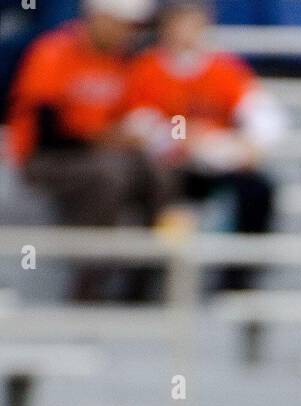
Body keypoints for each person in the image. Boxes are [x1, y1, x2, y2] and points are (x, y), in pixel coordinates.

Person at [6, 0, 170, 301]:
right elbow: (48, 132)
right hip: (43, 159)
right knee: (109, 175)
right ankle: (87, 280)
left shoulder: (124, 61)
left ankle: (145, 279)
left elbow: (137, 117)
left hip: (97, 156)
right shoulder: (54, 52)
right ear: (97, 17)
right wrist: (106, 139)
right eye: (121, 23)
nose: (127, 32)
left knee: (156, 172)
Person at [122, 0, 285, 290]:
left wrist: (247, 146)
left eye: (192, 22)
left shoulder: (223, 69)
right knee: (152, 187)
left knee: (257, 188)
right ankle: (145, 277)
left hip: (215, 163)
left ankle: (240, 276)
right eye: (179, 22)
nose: (185, 31)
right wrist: (177, 138)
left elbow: (264, 115)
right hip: (167, 168)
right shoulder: (147, 69)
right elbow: (139, 122)